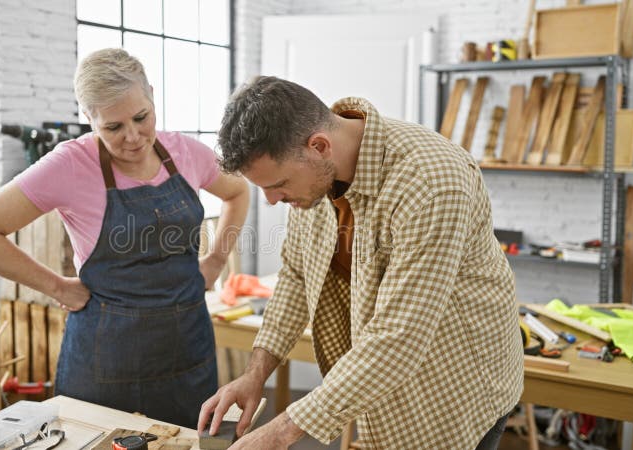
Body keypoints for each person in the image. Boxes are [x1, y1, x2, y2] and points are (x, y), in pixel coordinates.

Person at [198, 76, 523, 449]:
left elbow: (398, 338)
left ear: (318, 146)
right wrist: (254, 374)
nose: (272, 200)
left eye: (278, 184)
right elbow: (297, 278)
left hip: (453, 392)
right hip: (385, 387)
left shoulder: (432, 183)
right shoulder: (313, 179)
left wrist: (282, 430)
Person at [0, 48, 249, 428]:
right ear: (89, 117)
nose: (132, 137)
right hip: (105, 359)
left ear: (152, 96)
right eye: (113, 127)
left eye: (141, 117)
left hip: (187, 353)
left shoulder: (184, 153)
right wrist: (57, 287)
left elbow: (238, 191)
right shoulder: (69, 165)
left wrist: (215, 260)